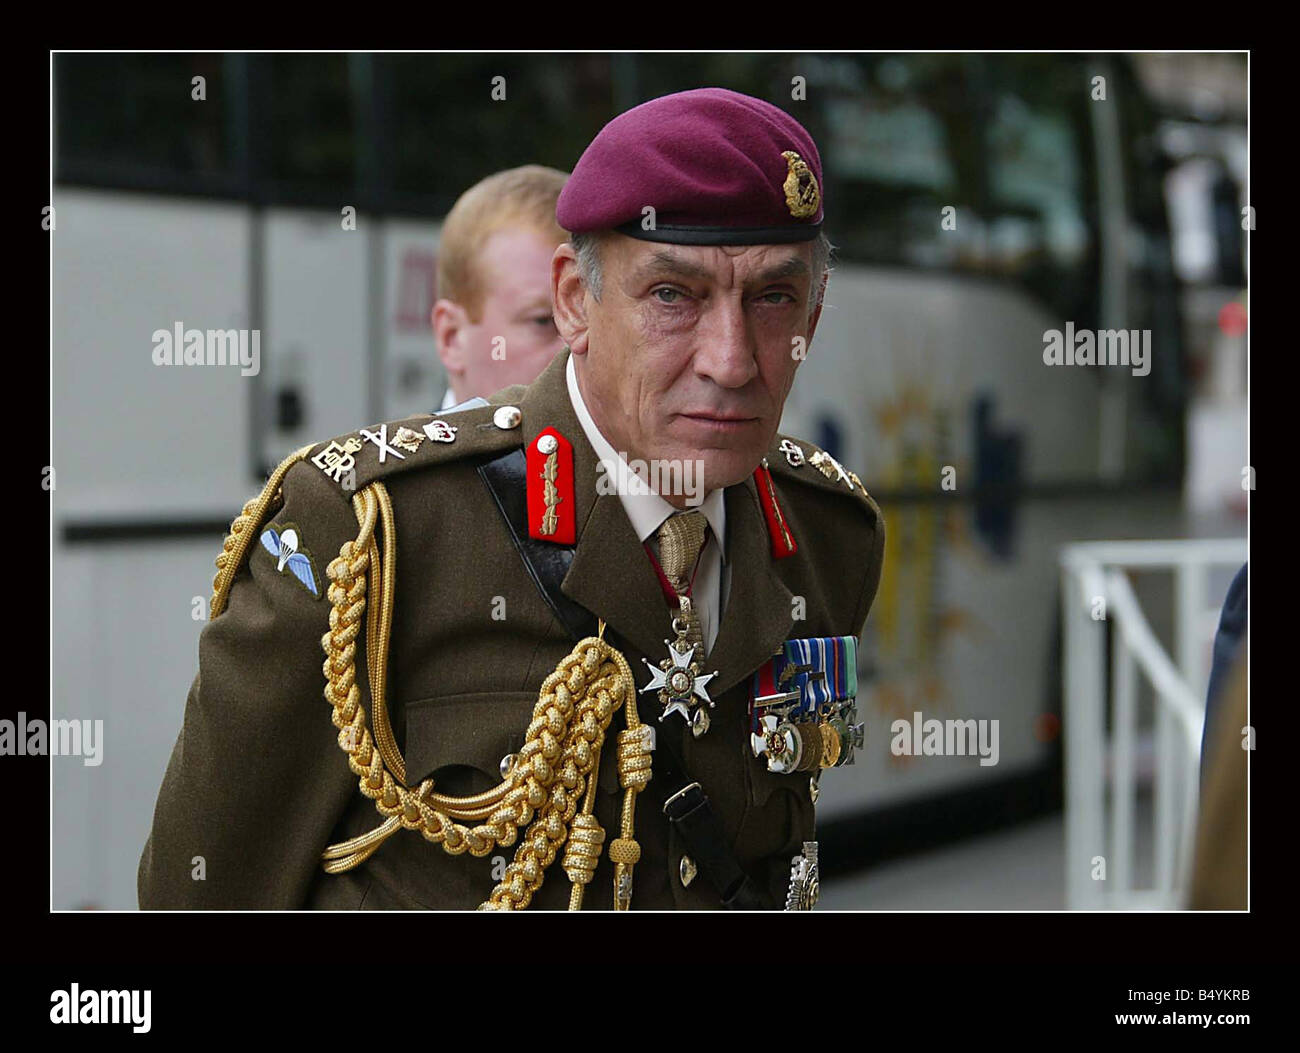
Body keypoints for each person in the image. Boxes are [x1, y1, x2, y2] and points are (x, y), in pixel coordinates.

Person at [138, 87, 886, 910]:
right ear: (574, 300)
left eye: (773, 297)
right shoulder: (371, 533)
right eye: (673, 295)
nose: (732, 361)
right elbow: (200, 893)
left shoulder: (826, 533)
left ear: (813, 309)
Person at [433, 164, 569, 409]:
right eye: (543, 321)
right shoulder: (381, 447)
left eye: (593, 322)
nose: (577, 349)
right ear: (451, 337)